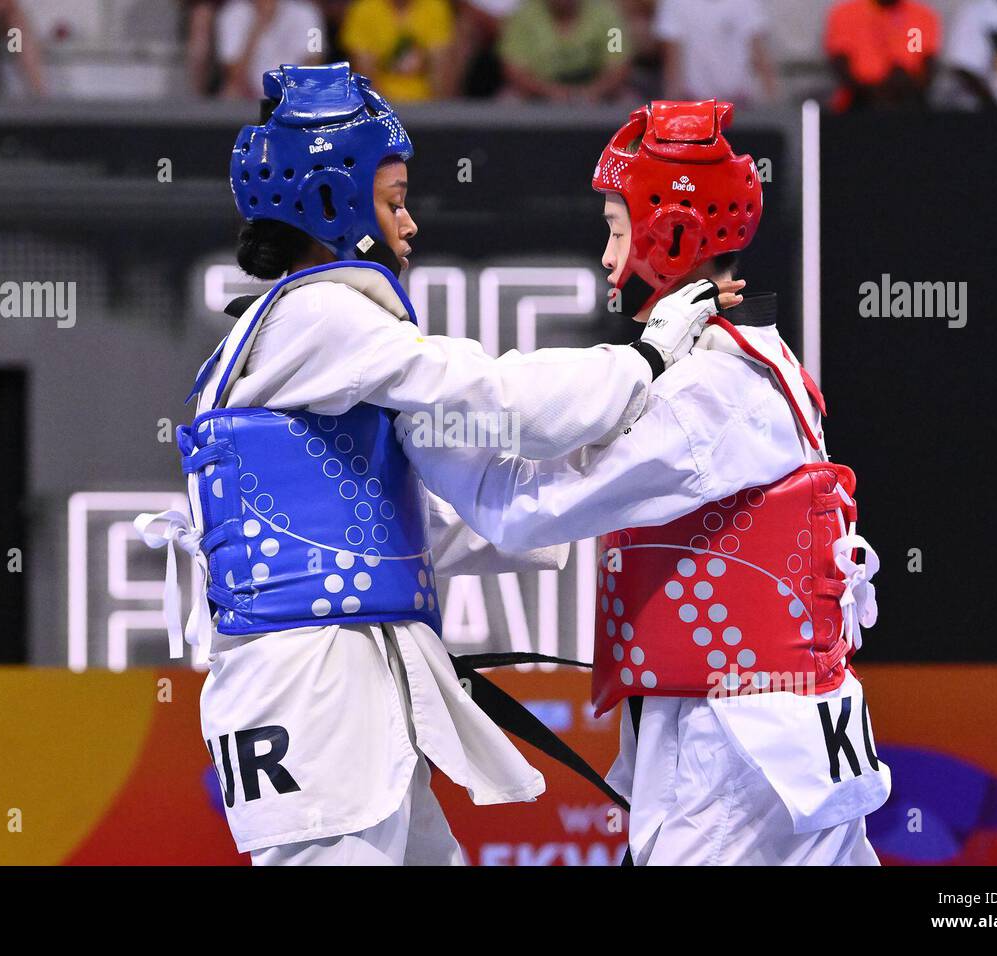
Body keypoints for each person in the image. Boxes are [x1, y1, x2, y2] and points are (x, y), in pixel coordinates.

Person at [135, 63, 717, 865]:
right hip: (311, 692)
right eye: (396, 201)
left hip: (345, 679)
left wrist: (591, 494)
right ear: (332, 204)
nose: (410, 227)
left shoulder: (300, 331)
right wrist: (643, 361)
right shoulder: (321, 314)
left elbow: (401, 531)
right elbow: (492, 392)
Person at [399, 99, 891, 865]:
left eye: (617, 229)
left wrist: (413, 429)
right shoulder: (756, 357)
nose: (605, 256)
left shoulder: (708, 392)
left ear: (672, 233)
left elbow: (528, 508)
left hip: (733, 745)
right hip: (782, 730)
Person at [498, 0, 632, 103]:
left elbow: (618, 65)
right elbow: (514, 69)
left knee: (631, 105)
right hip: (537, 92)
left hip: (598, 90)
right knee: (507, 103)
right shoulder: (523, 16)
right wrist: (549, 91)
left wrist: (594, 91)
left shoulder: (607, 14)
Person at [654, 0, 779, 107]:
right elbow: (672, 64)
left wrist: (773, 100)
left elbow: (760, 55)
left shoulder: (746, 3)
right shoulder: (675, 3)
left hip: (740, 105)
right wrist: (672, 109)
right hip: (694, 106)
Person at [824, 0, 942, 111]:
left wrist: (906, 84)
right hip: (858, 101)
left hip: (908, 99)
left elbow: (926, 63)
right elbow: (840, 62)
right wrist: (872, 90)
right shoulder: (847, 14)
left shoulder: (920, 16)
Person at [340, 0, 455, 101]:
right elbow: (364, 75)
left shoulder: (435, 8)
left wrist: (436, 115)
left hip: (426, 106)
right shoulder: (363, 10)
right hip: (381, 109)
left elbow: (440, 71)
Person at [215, 0, 324, 100]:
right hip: (249, 96)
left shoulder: (309, 12)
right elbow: (233, 75)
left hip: (293, 93)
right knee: (231, 91)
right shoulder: (231, 13)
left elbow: (315, 60)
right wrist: (259, 25)